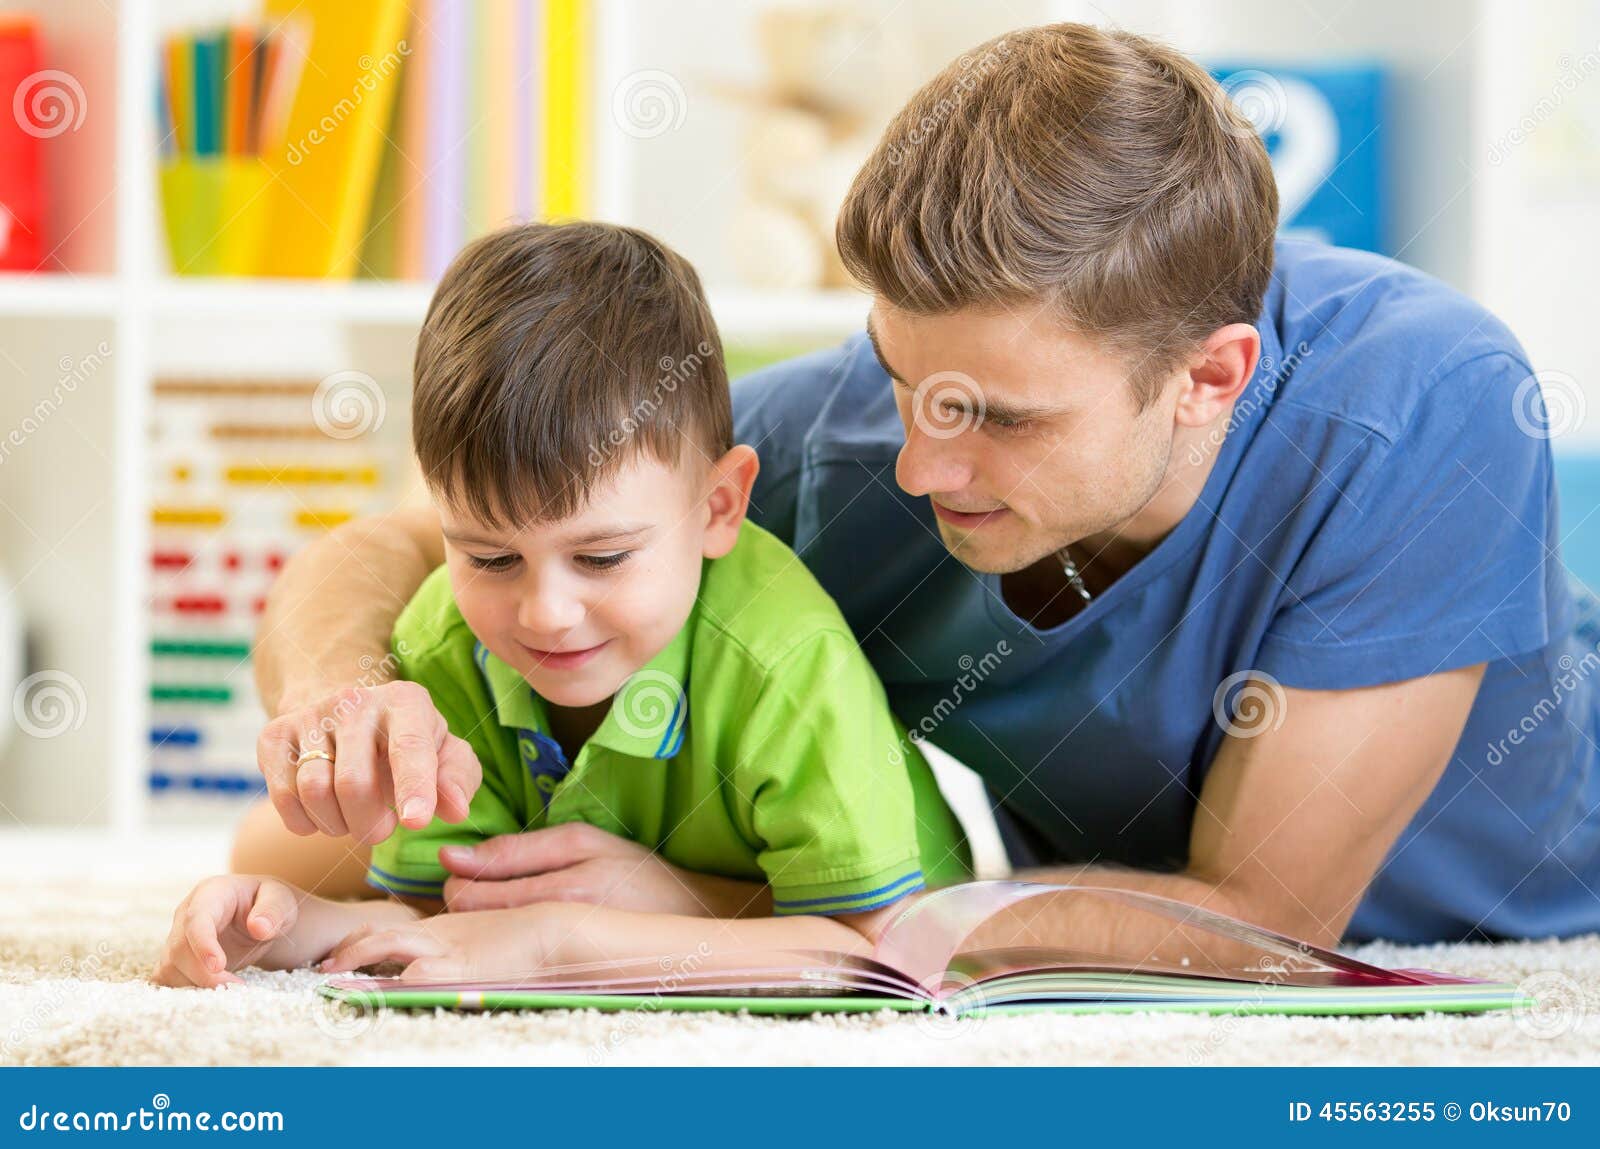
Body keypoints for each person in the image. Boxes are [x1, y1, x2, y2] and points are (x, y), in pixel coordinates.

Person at [239, 22, 1600, 953]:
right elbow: (406, 535)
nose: (919, 463)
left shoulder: (1425, 401)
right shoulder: (842, 442)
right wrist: (341, 693)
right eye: (904, 377)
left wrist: (711, 914)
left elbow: (1261, 916)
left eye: (998, 417)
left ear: (1210, 377)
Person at [151, 222, 969, 987]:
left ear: (719, 507)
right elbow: (445, 915)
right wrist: (295, 925)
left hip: (840, 902)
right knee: (278, 847)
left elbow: (877, 952)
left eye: (603, 556)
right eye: (491, 555)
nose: (545, 612)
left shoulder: (787, 661)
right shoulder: (440, 641)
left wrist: (561, 937)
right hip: (607, 859)